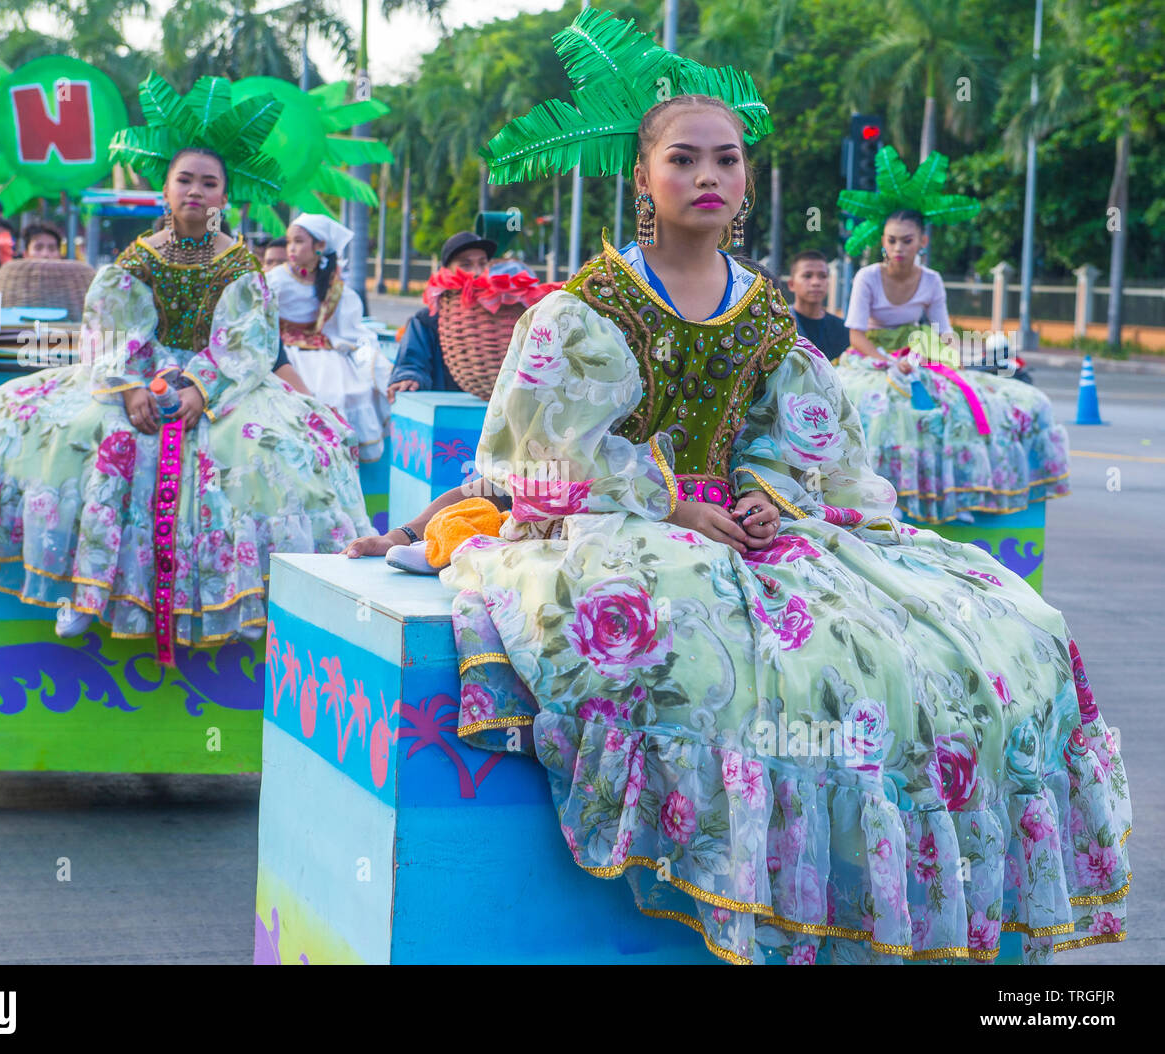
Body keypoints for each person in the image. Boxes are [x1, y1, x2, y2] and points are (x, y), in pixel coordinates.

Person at [344, 35, 1128, 964]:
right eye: (683, 159)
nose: (708, 175)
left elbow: (796, 436)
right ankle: (717, 866)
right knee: (696, 649)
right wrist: (673, 507)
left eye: (728, 159)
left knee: (962, 636)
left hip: (753, 523)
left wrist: (765, 493)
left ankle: (873, 898)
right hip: (619, 521)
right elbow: (548, 454)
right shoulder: (588, 306)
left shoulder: (764, 309)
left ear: (747, 183)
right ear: (645, 178)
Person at [0, 146, 371, 655]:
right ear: (166, 190)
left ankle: (241, 597)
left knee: (267, 453)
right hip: (139, 374)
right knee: (77, 437)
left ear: (224, 195)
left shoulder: (242, 264)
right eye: (185, 180)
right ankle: (84, 590)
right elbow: (113, 328)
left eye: (208, 182)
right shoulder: (139, 256)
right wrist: (131, 386)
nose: (195, 191)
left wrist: (202, 388)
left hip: (224, 382)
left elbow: (247, 341)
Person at [839, 210, 1069, 524]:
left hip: (918, 351)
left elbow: (943, 334)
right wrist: (891, 363)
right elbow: (856, 335)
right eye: (892, 240)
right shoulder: (867, 277)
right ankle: (887, 498)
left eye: (907, 241)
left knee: (955, 402)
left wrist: (942, 363)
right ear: (883, 242)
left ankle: (958, 497)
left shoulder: (932, 280)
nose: (899, 248)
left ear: (923, 241)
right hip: (872, 356)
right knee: (887, 404)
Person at [268, 214, 389, 460]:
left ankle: (336, 453)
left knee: (344, 392)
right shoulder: (276, 279)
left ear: (320, 246)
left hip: (322, 353)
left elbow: (345, 329)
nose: (291, 248)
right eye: (290, 241)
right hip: (285, 353)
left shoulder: (333, 286)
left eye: (299, 242)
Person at [385, 231, 495, 402]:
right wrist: (408, 378)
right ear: (446, 272)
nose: (477, 272)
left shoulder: (503, 317)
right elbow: (411, 362)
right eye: (466, 264)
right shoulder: (426, 320)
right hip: (446, 413)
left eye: (483, 263)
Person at [786, 250, 847, 361]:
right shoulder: (781, 325)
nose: (816, 282)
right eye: (807, 276)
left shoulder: (842, 329)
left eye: (822, 276)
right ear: (791, 284)